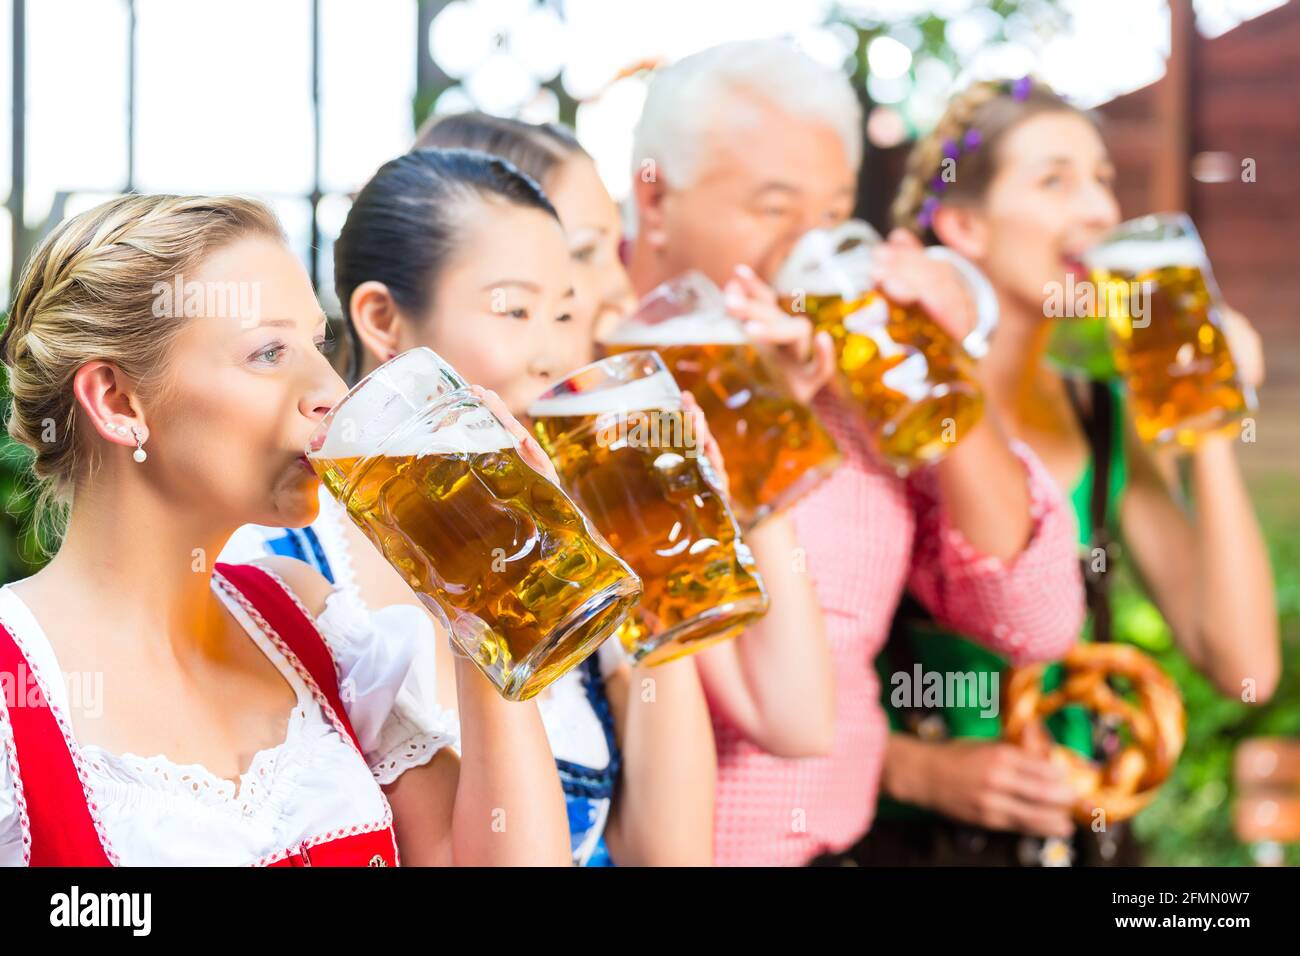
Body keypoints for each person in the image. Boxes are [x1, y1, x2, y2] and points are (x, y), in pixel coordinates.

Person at [0, 194, 571, 866]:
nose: (331, 386)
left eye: (318, 344)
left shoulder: (304, 617)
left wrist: (483, 607)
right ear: (117, 400)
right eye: (269, 351)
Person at [625, 39, 1087, 866]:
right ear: (654, 201)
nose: (810, 250)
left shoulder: (856, 388)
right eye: (775, 208)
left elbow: (1038, 620)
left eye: (833, 215)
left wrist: (950, 364)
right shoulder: (587, 383)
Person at [223, 148, 722, 866]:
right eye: (515, 310)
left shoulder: (560, 547)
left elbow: (671, 856)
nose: (551, 353)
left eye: (563, 313)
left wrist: (660, 555)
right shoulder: (279, 571)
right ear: (382, 319)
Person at [863, 76, 1278, 866]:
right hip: (903, 842)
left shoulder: (1101, 411)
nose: (1097, 211)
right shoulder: (891, 403)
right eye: (1055, 180)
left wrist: (1206, 415)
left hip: (1081, 846)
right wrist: (919, 770)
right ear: (962, 224)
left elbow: (1244, 667)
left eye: (1101, 180)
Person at [412, 114, 839, 765]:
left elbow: (800, 722)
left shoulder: (605, 470)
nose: (617, 286)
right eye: (583, 253)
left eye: (611, 250)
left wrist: (754, 447)